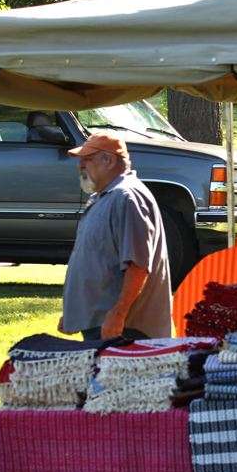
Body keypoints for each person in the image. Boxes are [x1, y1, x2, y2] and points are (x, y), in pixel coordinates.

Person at [58, 131, 172, 340]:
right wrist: (75, 311)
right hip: (102, 324)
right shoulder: (106, 196)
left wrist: (118, 314)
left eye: (87, 159)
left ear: (108, 160)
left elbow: (137, 266)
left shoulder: (126, 197)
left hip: (125, 328)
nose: (80, 165)